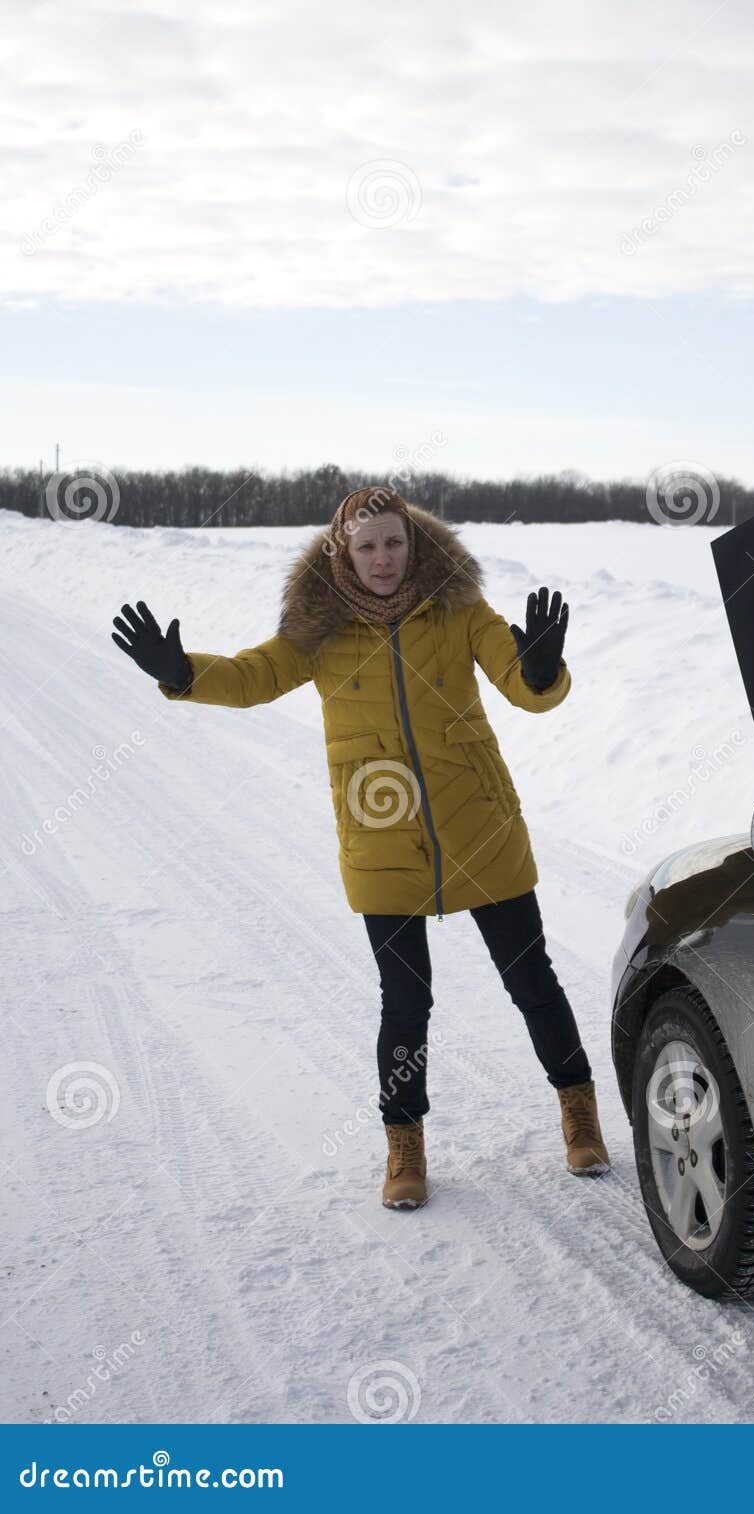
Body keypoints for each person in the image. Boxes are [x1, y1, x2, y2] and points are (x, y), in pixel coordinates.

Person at [111, 484, 610, 1209]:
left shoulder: (458, 609)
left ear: (414, 544)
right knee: (404, 1001)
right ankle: (404, 1146)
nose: (383, 558)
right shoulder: (319, 630)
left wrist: (539, 671)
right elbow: (253, 676)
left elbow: (521, 684)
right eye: (367, 545)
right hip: (381, 837)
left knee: (531, 980)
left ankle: (579, 1112)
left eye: (394, 543)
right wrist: (183, 672)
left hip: (481, 828)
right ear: (342, 552)